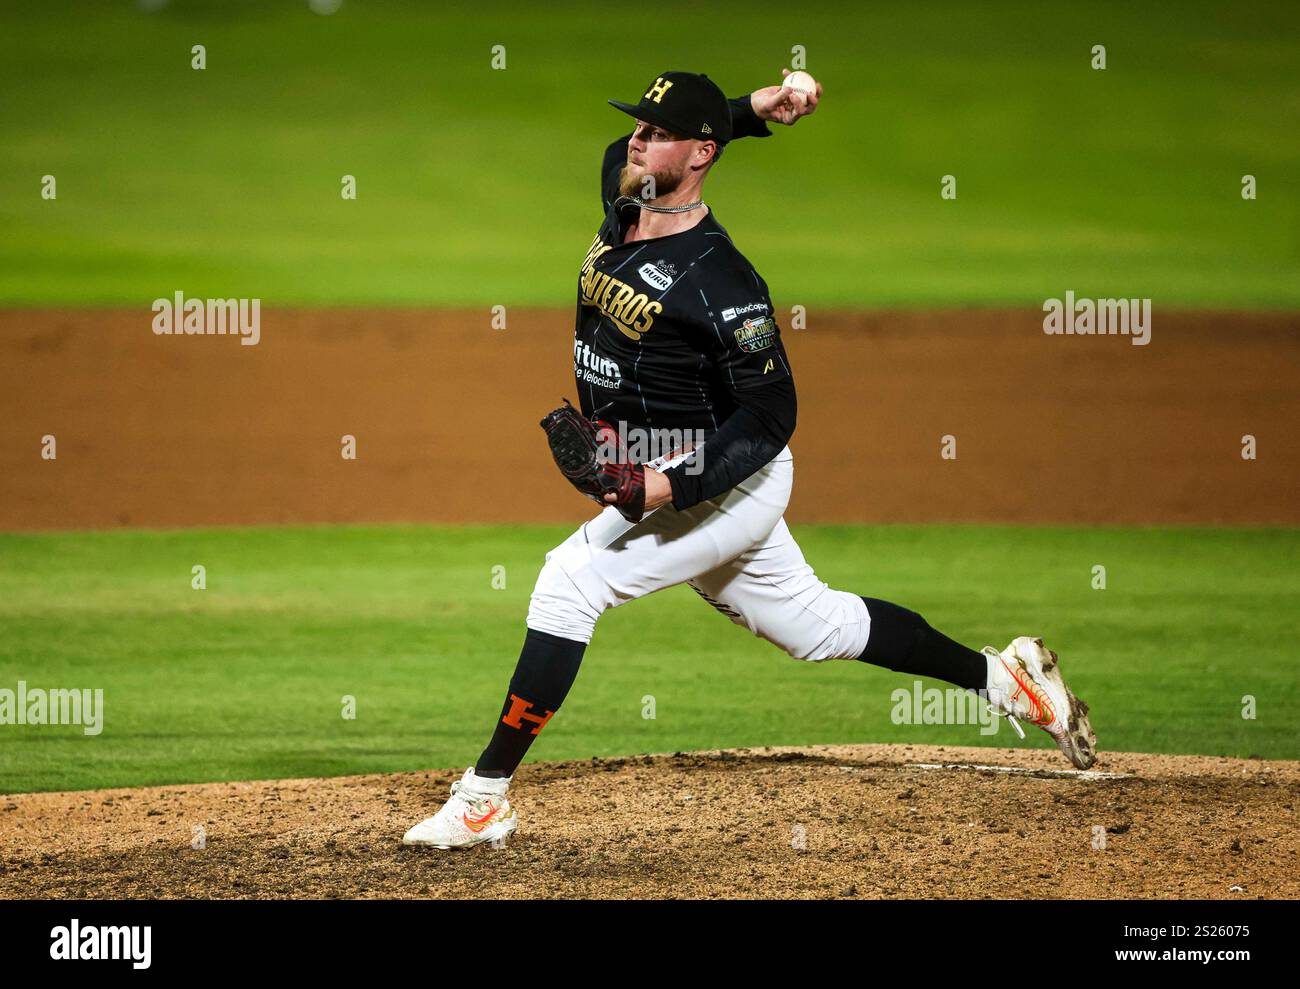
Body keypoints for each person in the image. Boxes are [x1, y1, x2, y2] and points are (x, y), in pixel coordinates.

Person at [403, 70, 1097, 850]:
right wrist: (753, 111)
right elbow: (643, 147)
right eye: (639, 125)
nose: (637, 139)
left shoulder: (726, 284)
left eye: (658, 132)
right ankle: (1008, 679)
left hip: (727, 484)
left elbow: (772, 415)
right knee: (814, 626)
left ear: (698, 156)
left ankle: (484, 795)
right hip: (660, 477)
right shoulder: (625, 193)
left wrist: (663, 482)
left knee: (569, 583)